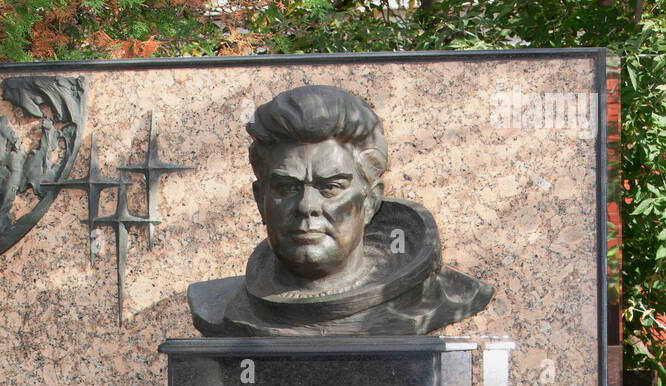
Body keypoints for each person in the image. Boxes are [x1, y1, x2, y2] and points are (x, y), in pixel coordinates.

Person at [188, 83, 493, 336]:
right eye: (286, 187)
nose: (307, 207)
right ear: (260, 201)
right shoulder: (216, 303)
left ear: (371, 201)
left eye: (330, 187)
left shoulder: (442, 296)